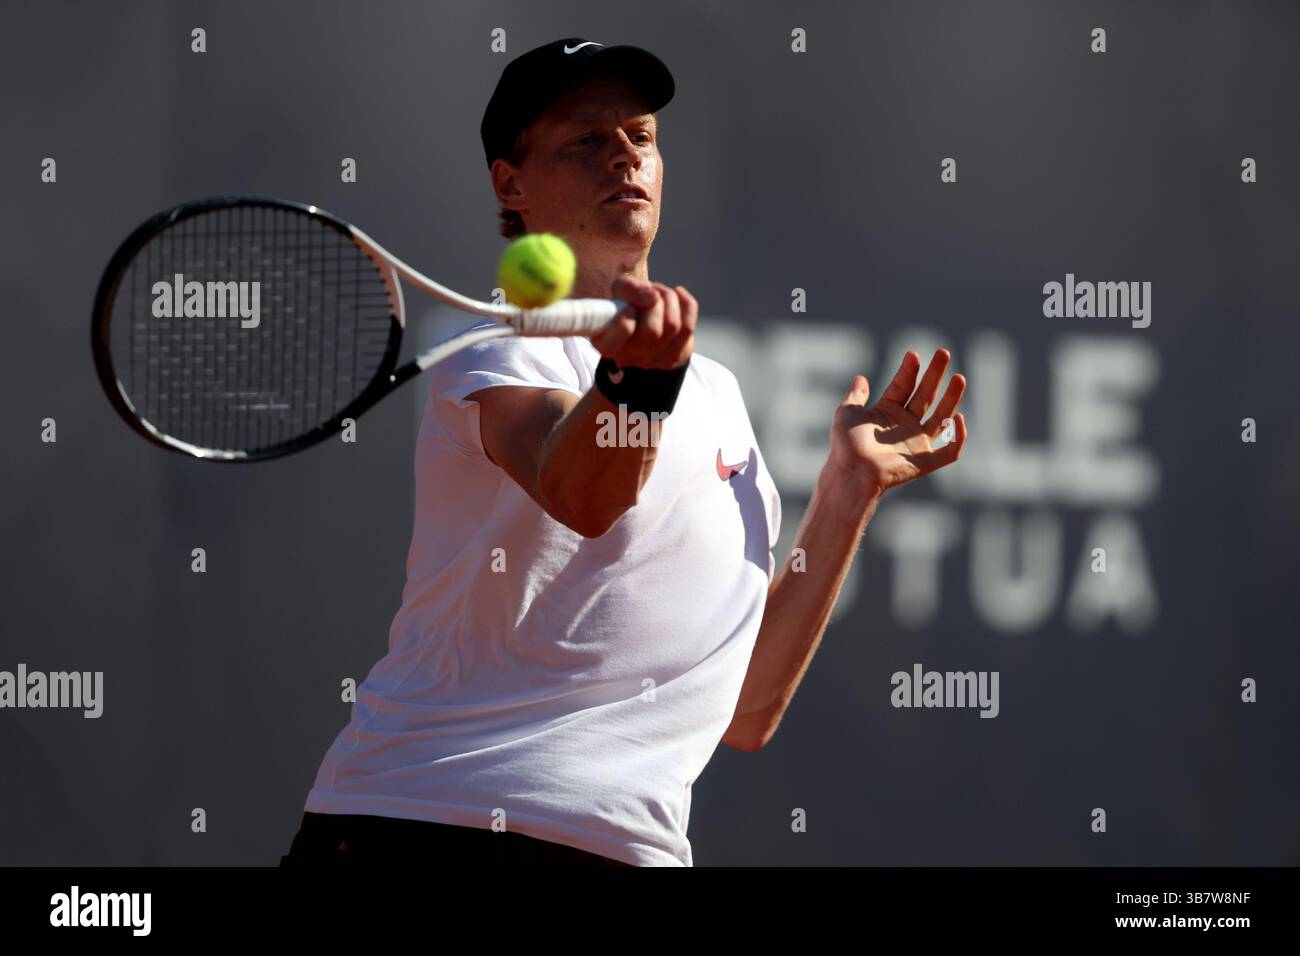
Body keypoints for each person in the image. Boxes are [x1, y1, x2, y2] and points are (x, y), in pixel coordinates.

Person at [281, 36, 967, 868]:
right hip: (425, 825)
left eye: (641, 137)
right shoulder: (502, 351)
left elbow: (742, 711)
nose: (624, 158)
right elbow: (583, 495)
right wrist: (639, 382)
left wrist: (848, 492)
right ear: (512, 184)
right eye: (585, 141)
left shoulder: (717, 396)